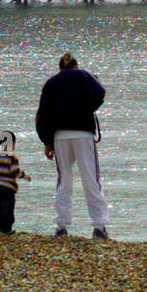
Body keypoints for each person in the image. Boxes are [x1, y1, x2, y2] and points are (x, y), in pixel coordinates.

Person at [35, 52, 111, 240]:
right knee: (90, 178)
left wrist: (46, 140)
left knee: (64, 180)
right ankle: (99, 226)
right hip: (83, 132)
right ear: (76, 65)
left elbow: (42, 114)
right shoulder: (85, 76)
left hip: (60, 135)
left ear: (60, 67)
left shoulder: (51, 83)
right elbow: (100, 93)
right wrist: (87, 107)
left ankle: (61, 226)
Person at [0, 131, 31, 234]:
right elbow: (15, 171)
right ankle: (6, 229)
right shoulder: (12, 158)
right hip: (8, 187)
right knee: (8, 208)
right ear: (12, 144)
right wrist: (25, 176)